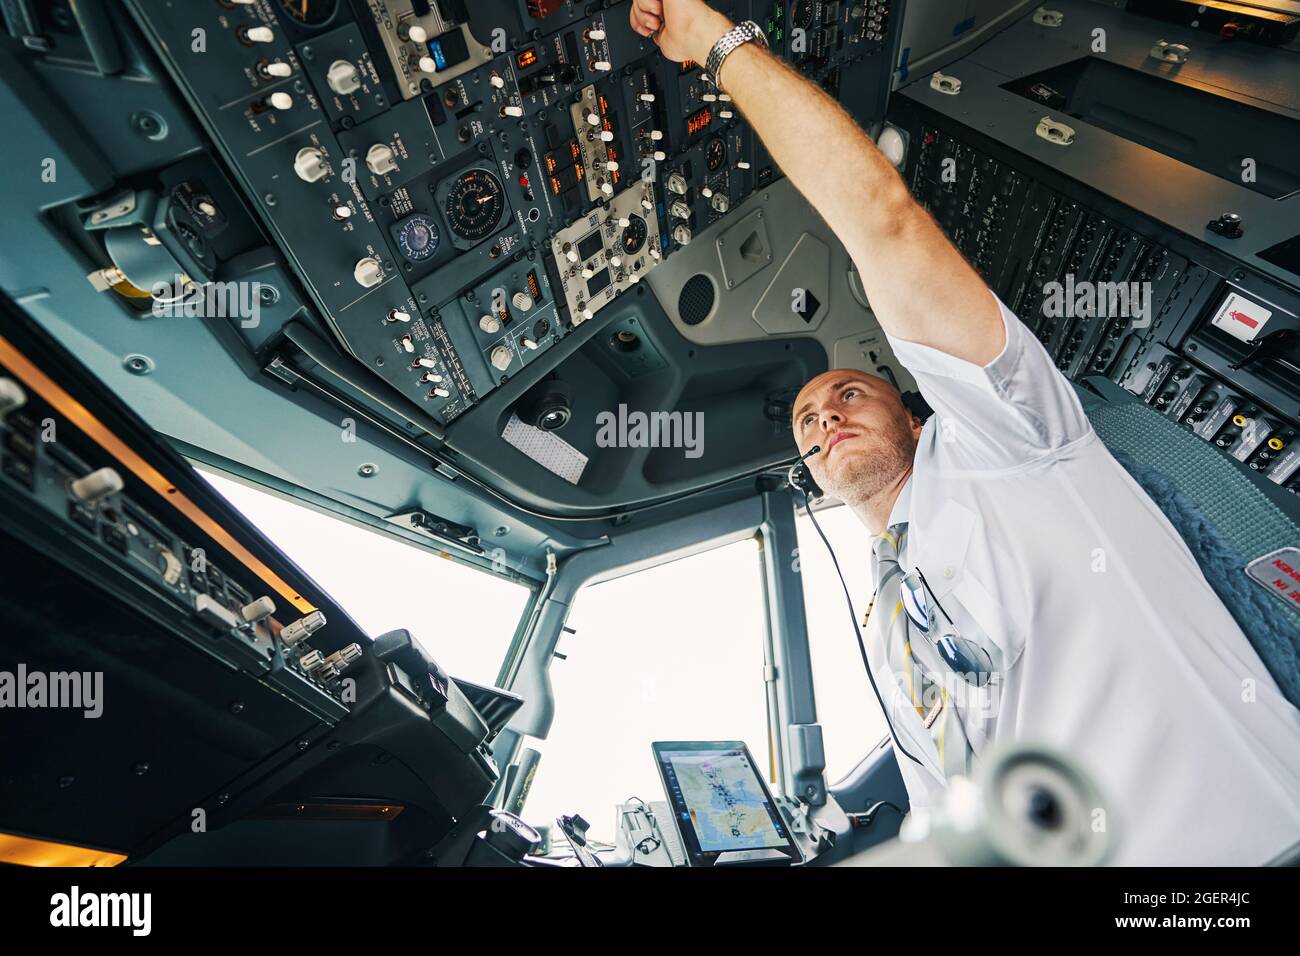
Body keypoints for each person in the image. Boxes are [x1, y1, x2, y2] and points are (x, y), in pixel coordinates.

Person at [631, 0, 1300, 865]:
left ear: (917, 410)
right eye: (807, 422)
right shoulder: (884, 622)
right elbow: (949, 811)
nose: (823, 415)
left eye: (846, 393)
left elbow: (882, 217)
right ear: (808, 470)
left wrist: (717, 48)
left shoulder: (1006, 436)